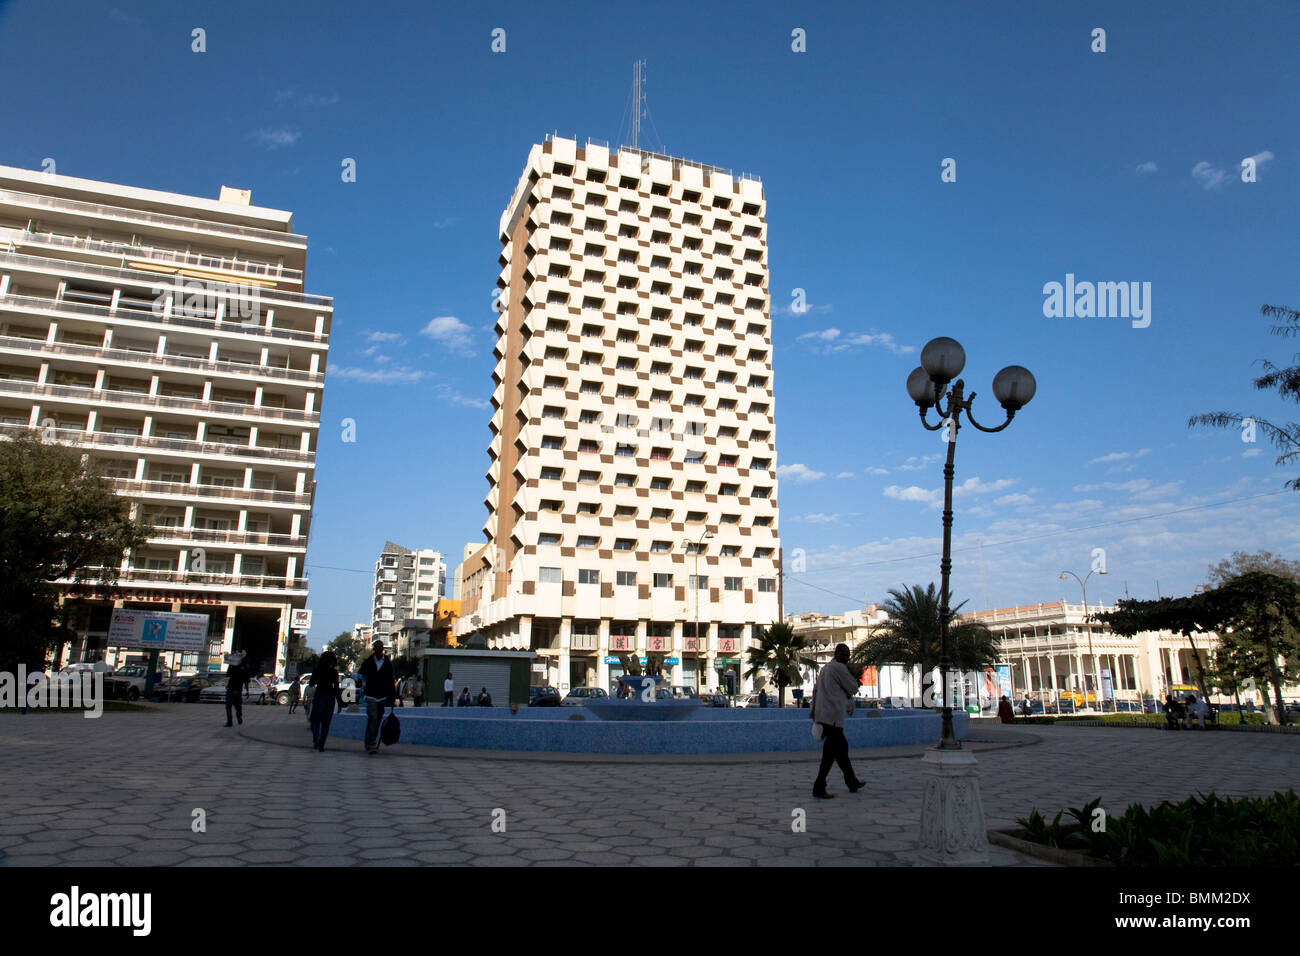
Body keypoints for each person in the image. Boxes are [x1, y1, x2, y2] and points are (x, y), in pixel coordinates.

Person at [810, 643, 866, 799]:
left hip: (823, 714)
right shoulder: (839, 668)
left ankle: (851, 781)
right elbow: (853, 687)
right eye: (845, 655)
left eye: (848, 655)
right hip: (833, 716)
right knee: (830, 755)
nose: (847, 658)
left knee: (840, 750)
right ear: (838, 654)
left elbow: (816, 690)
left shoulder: (825, 668)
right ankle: (819, 787)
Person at [357, 640, 396, 755]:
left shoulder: (387, 663)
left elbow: (390, 681)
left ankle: (371, 740)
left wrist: (392, 697)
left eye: (380, 648)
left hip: (382, 696)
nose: (379, 650)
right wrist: (360, 682)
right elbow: (361, 675)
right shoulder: (368, 662)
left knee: (378, 720)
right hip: (371, 695)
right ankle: (370, 743)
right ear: (374, 649)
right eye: (377, 648)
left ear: (382, 649)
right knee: (372, 718)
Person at [308, 652, 346, 751]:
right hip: (330, 698)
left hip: (319, 696)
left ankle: (316, 737)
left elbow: (311, 684)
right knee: (326, 722)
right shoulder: (333, 672)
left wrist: (318, 680)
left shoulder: (317, 670)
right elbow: (337, 688)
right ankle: (322, 744)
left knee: (315, 720)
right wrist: (340, 703)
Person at [224, 651, 249, 727]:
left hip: (237, 689)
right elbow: (228, 674)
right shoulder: (232, 665)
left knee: (237, 706)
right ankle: (229, 722)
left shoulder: (244, 667)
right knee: (228, 705)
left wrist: (247, 690)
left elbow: (246, 680)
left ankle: (239, 716)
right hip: (231, 688)